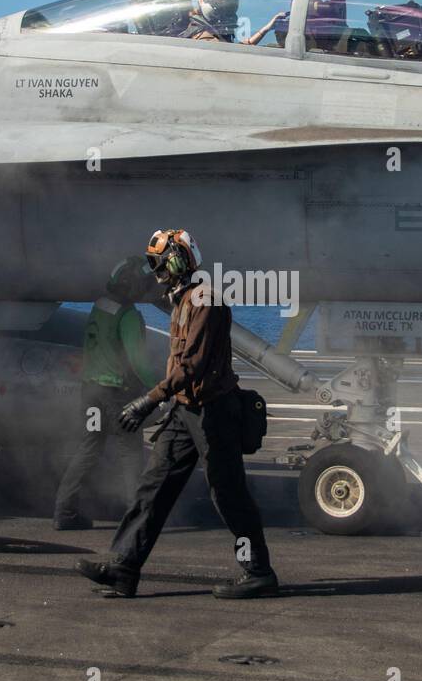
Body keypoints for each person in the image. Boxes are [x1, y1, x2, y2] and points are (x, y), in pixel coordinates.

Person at [74, 229, 280, 599]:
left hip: (214, 413)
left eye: (159, 264)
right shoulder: (184, 299)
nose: (156, 273)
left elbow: (193, 366)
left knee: (228, 493)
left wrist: (148, 399)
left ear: (177, 261)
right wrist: (164, 400)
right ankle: (124, 568)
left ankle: (259, 572)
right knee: (153, 488)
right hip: (186, 411)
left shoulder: (205, 301)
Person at [51, 256, 161, 530]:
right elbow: (137, 361)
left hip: (90, 392)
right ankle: (136, 521)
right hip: (118, 393)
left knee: (88, 448)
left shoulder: (99, 306)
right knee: (130, 454)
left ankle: (63, 512)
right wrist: (158, 385)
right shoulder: (128, 315)